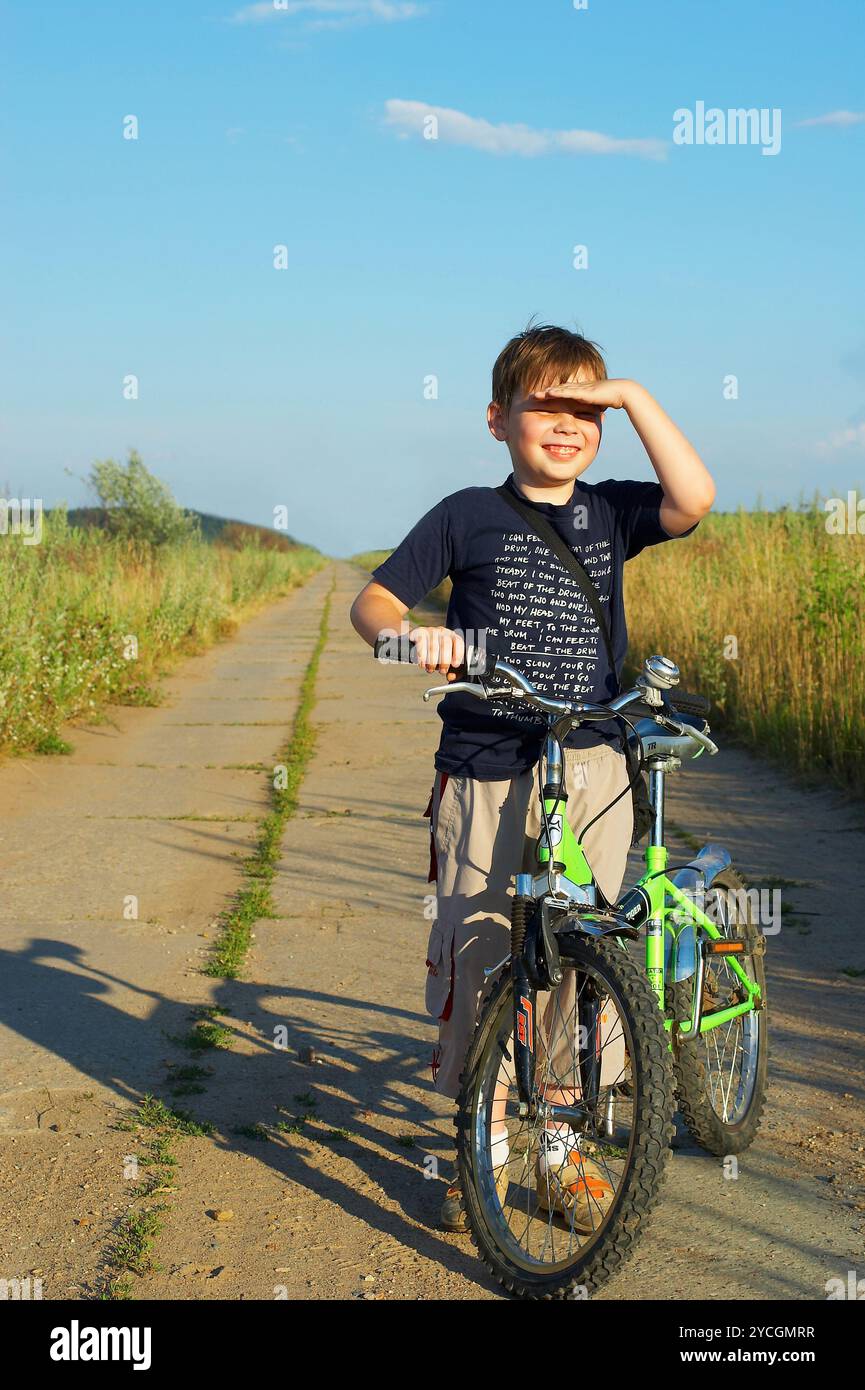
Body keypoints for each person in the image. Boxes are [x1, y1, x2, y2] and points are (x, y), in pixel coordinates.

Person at [349, 322, 715, 1232]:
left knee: (574, 962)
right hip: (485, 763)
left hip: (591, 765)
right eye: (542, 404)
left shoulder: (611, 512)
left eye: (583, 408)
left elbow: (694, 498)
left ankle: (557, 1148)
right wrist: (409, 636)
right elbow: (374, 602)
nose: (565, 423)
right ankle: (483, 1142)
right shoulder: (465, 513)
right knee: (484, 960)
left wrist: (630, 396)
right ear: (496, 418)